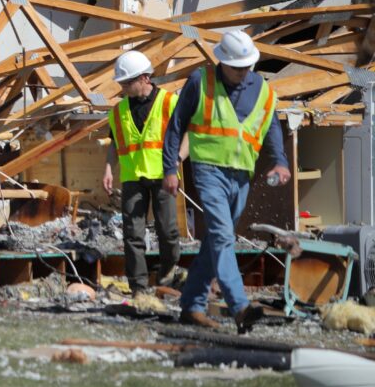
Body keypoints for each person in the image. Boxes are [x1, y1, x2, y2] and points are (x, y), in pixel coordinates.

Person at [162, 29, 291, 334]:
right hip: (208, 169)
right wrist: (170, 168)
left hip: (242, 175)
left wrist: (280, 161)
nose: (243, 72)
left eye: (248, 66)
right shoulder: (200, 81)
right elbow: (177, 124)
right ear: (222, 62)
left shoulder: (263, 89)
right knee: (222, 236)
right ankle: (240, 307)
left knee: (214, 243)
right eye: (238, 67)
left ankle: (191, 307)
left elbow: (271, 126)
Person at [103, 50, 183, 295]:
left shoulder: (170, 102)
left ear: (145, 78)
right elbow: (115, 143)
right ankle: (138, 287)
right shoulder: (118, 111)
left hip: (162, 176)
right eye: (122, 83)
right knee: (132, 235)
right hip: (132, 178)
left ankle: (165, 278)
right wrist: (108, 168)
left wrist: (177, 160)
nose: (124, 88)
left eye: (127, 83)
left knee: (168, 232)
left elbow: (188, 133)